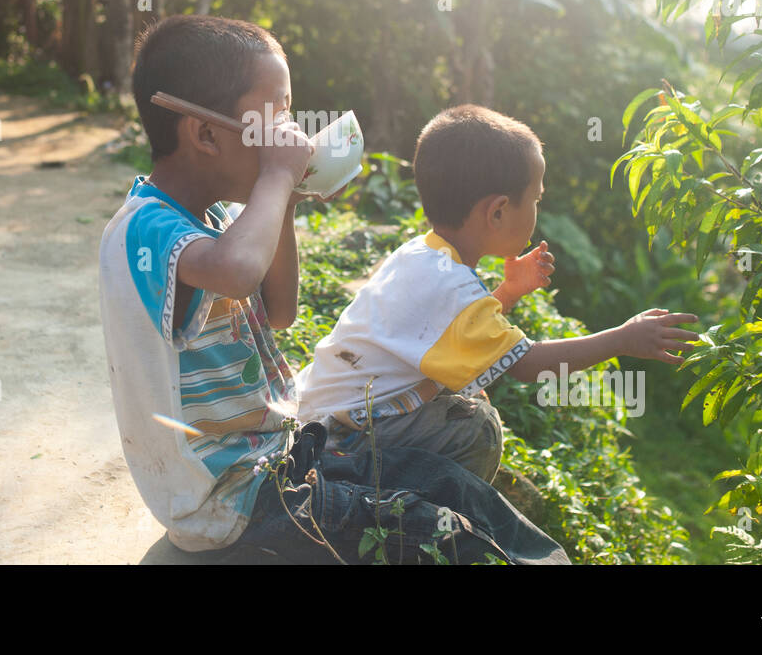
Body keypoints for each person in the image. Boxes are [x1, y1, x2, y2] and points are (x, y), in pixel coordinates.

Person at [98, 17, 570, 564]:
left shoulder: (223, 217)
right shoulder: (145, 229)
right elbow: (235, 272)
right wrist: (274, 179)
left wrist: (286, 203)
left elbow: (279, 310)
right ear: (205, 134)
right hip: (228, 502)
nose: (291, 134)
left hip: (281, 459)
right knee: (440, 537)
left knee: (449, 484)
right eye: (276, 117)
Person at [296, 104, 701, 483]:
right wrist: (623, 338)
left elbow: (455, 332)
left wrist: (507, 291)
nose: (539, 207)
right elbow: (525, 366)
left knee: (463, 389)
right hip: (336, 441)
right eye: (537, 198)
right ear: (498, 212)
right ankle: (411, 514)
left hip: (318, 413)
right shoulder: (450, 284)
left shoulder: (421, 254)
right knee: (478, 429)